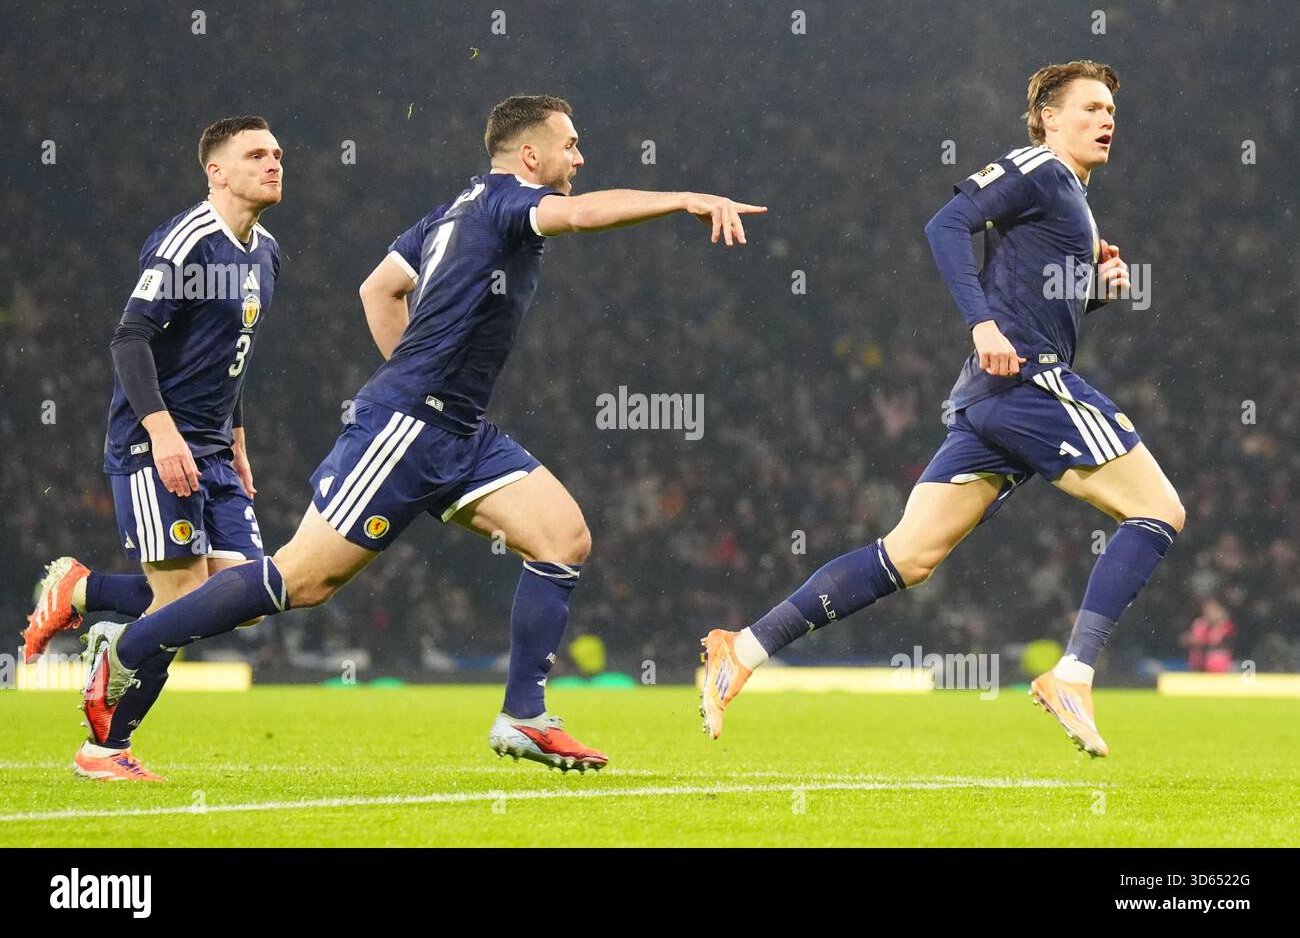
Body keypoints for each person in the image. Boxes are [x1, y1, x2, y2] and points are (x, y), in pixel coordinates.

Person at [80, 94, 765, 774]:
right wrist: (685, 199)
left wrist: (418, 371)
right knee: (301, 581)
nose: (580, 157)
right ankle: (132, 648)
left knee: (564, 537)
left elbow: (378, 288)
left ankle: (523, 715)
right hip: (409, 425)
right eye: (571, 144)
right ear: (530, 155)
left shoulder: (451, 212)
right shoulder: (503, 202)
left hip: (460, 430)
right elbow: (581, 215)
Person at [701, 61, 1183, 758]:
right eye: (1090, 108)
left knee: (908, 555)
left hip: (996, 398)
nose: (1106, 119)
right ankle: (1075, 673)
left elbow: (1039, 303)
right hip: (1025, 382)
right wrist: (980, 324)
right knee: (1160, 511)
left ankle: (741, 648)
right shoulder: (1039, 167)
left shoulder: (1072, 197)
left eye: (1111, 109)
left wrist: (1098, 290)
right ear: (1049, 118)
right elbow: (946, 223)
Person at [24, 117, 284, 781]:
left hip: (216, 453)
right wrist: (164, 432)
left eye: (278, 153)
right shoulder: (187, 241)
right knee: (176, 605)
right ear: (216, 172)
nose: (273, 163)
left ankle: (84, 591)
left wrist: (239, 439)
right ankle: (104, 749)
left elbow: (234, 356)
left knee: (247, 596)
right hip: (154, 446)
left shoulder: (265, 253)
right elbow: (130, 338)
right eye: (255, 154)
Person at [1182, 597, 1235, 672]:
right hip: (1197, 664)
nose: (1209, 612)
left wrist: (1195, 640)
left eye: (1213, 609)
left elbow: (1216, 640)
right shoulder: (1199, 623)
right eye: (1207, 609)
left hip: (1218, 666)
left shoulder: (1226, 625)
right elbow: (1189, 638)